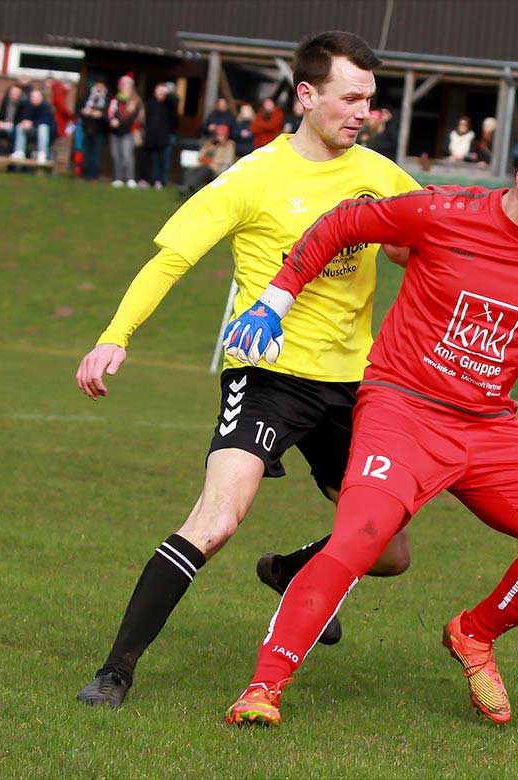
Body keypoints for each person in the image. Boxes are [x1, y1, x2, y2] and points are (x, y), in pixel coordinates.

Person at [221, 125, 518, 727]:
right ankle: (265, 686)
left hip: (489, 427)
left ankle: (474, 634)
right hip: (404, 408)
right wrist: (276, 300)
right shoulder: (442, 211)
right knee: (362, 536)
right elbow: (345, 223)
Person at [73, 30, 422, 711]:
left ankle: (292, 572)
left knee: (391, 551)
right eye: (349, 98)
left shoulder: (381, 176)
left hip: (355, 385)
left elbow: (436, 239)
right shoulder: (253, 177)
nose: (362, 112)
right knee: (218, 519)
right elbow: (172, 258)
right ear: (306, 94)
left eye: (370, 101)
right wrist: (115, 336)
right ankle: (115, 672)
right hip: (265, 376)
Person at [179, 123, 236, 196]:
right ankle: (186, 186)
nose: (219, 137)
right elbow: (200, 155)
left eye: (221, 135)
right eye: (218, 135)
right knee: (191, 170)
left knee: (203, 171)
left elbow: (228, 160)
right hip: (204, 165)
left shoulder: (229, 145)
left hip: (216, 168)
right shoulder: (210, 143)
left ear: (226, 136)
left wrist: (212, 161)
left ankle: (189, 187)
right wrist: (206, 153)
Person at [107, 75, 143, 188]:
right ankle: (118, 178)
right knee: (116, 155)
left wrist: (120, 121)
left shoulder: (135, 101)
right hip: (115, 133)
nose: (125, 87)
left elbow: (133, 117)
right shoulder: (115, 100)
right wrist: (112, 120)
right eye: (123, 85)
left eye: (127, 85)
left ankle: (130, 178)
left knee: (127, 156)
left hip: (128, 133)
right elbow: (110, 112)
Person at [143, 82, 178, 190]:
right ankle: (153, 180)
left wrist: (168, 93)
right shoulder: (151, 103)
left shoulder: (169, 104)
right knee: (153, 161)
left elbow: (174, 102)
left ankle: (161, 181)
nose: (160, 94)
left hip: (164, 138)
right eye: (159, 91)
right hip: (152, 138)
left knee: (164, 161)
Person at [10, 87, 56, 163]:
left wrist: (32, 123)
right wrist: (24, 122)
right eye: (33, 97)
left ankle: (42, 153)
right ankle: (19, 152)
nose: (35, 99)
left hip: (45, 133)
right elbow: (20, 118)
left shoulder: (46, 107)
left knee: (43, 127)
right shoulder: (26, 105)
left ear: (41, 98)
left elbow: (47, 121)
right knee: (20, 126)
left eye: (37, 97)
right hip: (30, 131)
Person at [77, 77, 109, 181]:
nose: (99, 87)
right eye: (97, 85)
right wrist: (84, 111)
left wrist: (101, 114)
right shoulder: (87, 96)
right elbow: (78, 108)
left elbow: (109, 115)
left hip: (100, 130)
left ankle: (94, 175)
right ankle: (83, 174)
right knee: (85, 152)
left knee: (96, 154)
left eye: (101, 85)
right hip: (87, 128)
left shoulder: (107, 98)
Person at [0, 83, 25, 154]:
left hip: (14, 126)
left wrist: (11, 124)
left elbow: (21, 120)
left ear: (20, 94)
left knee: (12, 131)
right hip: (3, 124)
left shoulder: (22, 104)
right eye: (13, 92)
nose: (14, 94)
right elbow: (0, 116)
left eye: (17, 93)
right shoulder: (5, 102)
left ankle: (8, 152)